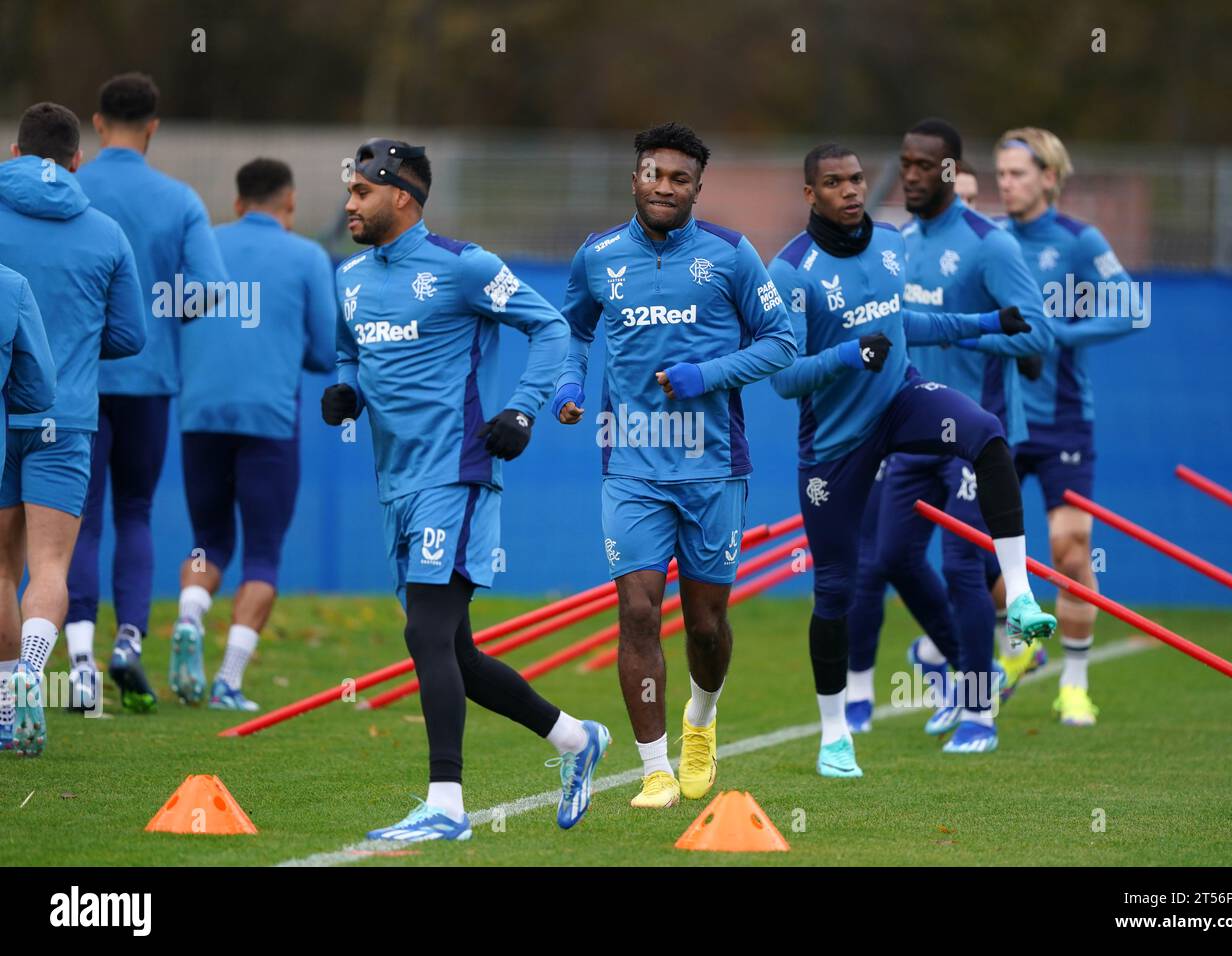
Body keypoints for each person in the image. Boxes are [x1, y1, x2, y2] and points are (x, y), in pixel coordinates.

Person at [323, 138, 609, 841]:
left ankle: (446, 805)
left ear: (402, 196)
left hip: (458, 472)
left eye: (361, 191)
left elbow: (547, 326)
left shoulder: (464, 266)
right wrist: (345, 390)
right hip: (397, 479)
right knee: (457, 655)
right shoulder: (351, 276)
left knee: (424, 632)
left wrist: (522, 407)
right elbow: (347, 350)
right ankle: (576, 739)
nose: (349, 203)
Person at [767, 141, 1053, 771]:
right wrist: (847, 355)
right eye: (834, 182)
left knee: (985, 434)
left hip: (900, 401)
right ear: (809, 194)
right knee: (837, 588)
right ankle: (835, 732)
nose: (850, 190)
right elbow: (783, 378)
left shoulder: (890, 242)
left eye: (858, 179)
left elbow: (908, 324)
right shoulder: (789, 271)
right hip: (835, 443)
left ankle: (1024, 597)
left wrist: (987, 322)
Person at [556, 122, 797, 808]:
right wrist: (570, 387)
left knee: (705, 625)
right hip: (629, 461)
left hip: (714, 467)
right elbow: (574, 328)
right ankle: (654, 767)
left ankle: (701, 718)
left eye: (679, 178)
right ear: (634, 178)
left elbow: (781, 342)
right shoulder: (598, 255)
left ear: (698, 187)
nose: (665, 186)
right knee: (636, 611)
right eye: (653, 174)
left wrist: (709, 375)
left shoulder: (731, 255)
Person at [844, 120, 1059, 754]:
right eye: (903, 163)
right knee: (889, 557)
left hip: (978, 433)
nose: (907, 175)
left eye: (921, 166)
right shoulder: (898, 244)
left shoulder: (991, 246)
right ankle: (969, 665)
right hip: (913, 431)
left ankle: (977, 711)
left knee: (965, 565)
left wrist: (956, 329)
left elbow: (1038, 336)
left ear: (948, 172)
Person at [65, 72, 228, 713]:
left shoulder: (73, 188)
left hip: (77, 380)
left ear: (98, 124)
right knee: (134, 512)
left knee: (76, 518)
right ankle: (128, 641)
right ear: (154, 126)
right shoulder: (179, 198)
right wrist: (161, 320)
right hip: (149, 379)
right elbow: (210, 289)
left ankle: (78, 662)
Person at [0, 102, 146, 755]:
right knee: (49, 564)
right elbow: (130, 335)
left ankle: (7, 699)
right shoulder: (106, 232)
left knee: (0, 567)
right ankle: (35, 671)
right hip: (67, 412)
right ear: (76, 160)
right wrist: (74, 349)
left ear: (14, 153)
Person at [991, 127, 1145, 725]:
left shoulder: (1080, 242)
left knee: (1070, 545)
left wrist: (1060, 333)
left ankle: (1074, 683)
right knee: (983, 554)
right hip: (999, 418)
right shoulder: (991, 239)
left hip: (1064, 423)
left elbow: (1134, 308)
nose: (1006, 184)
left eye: (1018, 174)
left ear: (1049, 178)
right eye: (1000, 174)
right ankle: (1022, 646)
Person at [170, 158, 335, 711]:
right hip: (269, 419)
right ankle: (228, 682)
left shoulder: (204, 245)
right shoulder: (307, 256)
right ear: (288, 204)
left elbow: (178, 319)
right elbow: (322, 349)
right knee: (262, 554)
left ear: (238, 203)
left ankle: (190, 614)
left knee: (206, 541)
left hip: (200, 414)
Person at [0, 266, 58, 754]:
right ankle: (26, 675)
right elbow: (38, 388)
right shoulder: (11, 285)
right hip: (64, 429)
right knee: (39, 568)